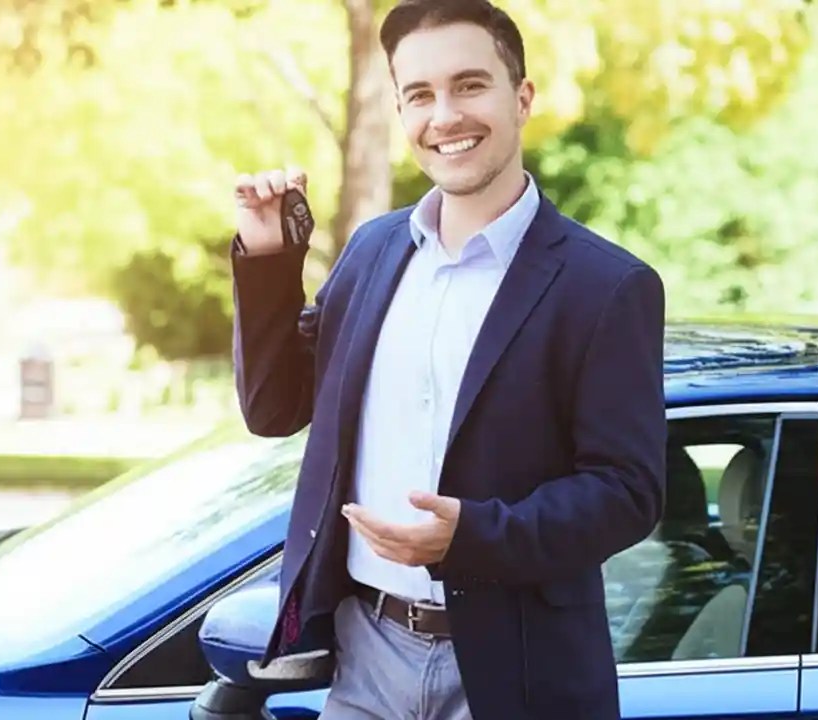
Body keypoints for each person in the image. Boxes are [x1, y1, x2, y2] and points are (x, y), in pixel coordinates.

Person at [229, 0, 666, 717]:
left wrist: (471, 537)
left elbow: (628, 493)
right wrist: (270, 259)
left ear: (521, 98)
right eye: (420, 95)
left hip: (516, 674)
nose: (445, 116)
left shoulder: (606, 286)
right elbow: (275, 409)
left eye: (470, 85)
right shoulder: (373, 252)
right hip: (365, 656)